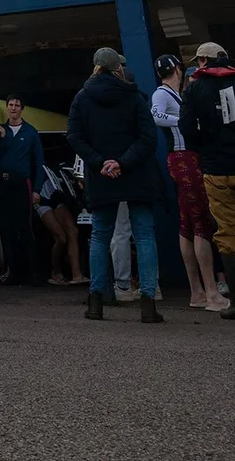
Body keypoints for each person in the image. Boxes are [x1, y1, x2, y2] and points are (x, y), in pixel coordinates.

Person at [67, 46, 164, 323]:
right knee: (144, 235)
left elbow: (74, 136)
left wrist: (101, 163)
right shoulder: (133, 96)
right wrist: (122, 162)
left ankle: (96, 301)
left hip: (101, 176)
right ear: (117, 67)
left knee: (100, 235)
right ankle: (148, 303)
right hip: (136, 174)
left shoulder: (81, 99)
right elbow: (148, 138)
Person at [152, 52, 225, 310]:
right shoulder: (162, 93)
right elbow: (157, 116)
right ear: (177, 69)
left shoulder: (176, 94)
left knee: (188, 223)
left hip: (184, 156)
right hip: (183, 157)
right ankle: (211, 292)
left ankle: (198, 292)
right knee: (200, 221)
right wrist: (186, 121)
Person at [180, 40, 235, 321]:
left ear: (202, 61)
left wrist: (203, 147)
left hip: (216, 168)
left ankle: (233, 301)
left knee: (226, 232)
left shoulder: (195, 88)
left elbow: (186, 127)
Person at [0, 95, 44, 285]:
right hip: (1, 183)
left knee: (24, 228)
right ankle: (12, 271)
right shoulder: (0, 131)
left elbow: (39, 162)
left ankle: (33, 272)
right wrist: (1, 138)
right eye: (10, 105)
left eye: (17, 105)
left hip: (21, 184)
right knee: (5, 228)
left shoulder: (30, 132)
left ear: (22, 109)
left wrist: (37, 189)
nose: (13, 108)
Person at [34, 164, 86, 286]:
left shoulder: (65, 169)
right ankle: (56, 271)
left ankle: (76, 274)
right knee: (61, 238)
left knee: (73, 231)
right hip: (42, 198)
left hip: (57, 196)